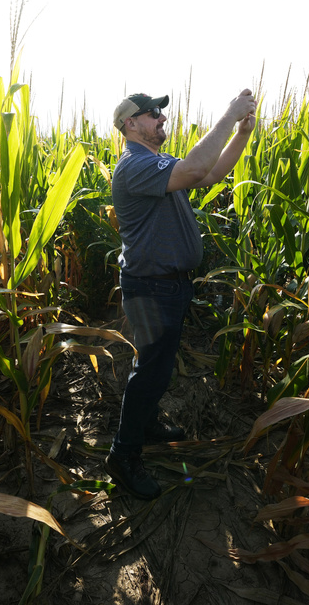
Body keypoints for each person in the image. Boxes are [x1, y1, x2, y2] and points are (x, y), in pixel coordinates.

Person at [105, 89, 257, 499]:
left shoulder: (157, 164)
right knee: (150, 371)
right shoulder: (133, 166)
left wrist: (241, 134)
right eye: (151, 113)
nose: (161, 118)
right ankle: (123, 455)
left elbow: (209, 174)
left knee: (159, 366)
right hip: (151, 288)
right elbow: (194, 171)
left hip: (167, 287)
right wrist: (229, 113)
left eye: (161, 112)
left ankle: (148, 422)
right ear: (129, 124)